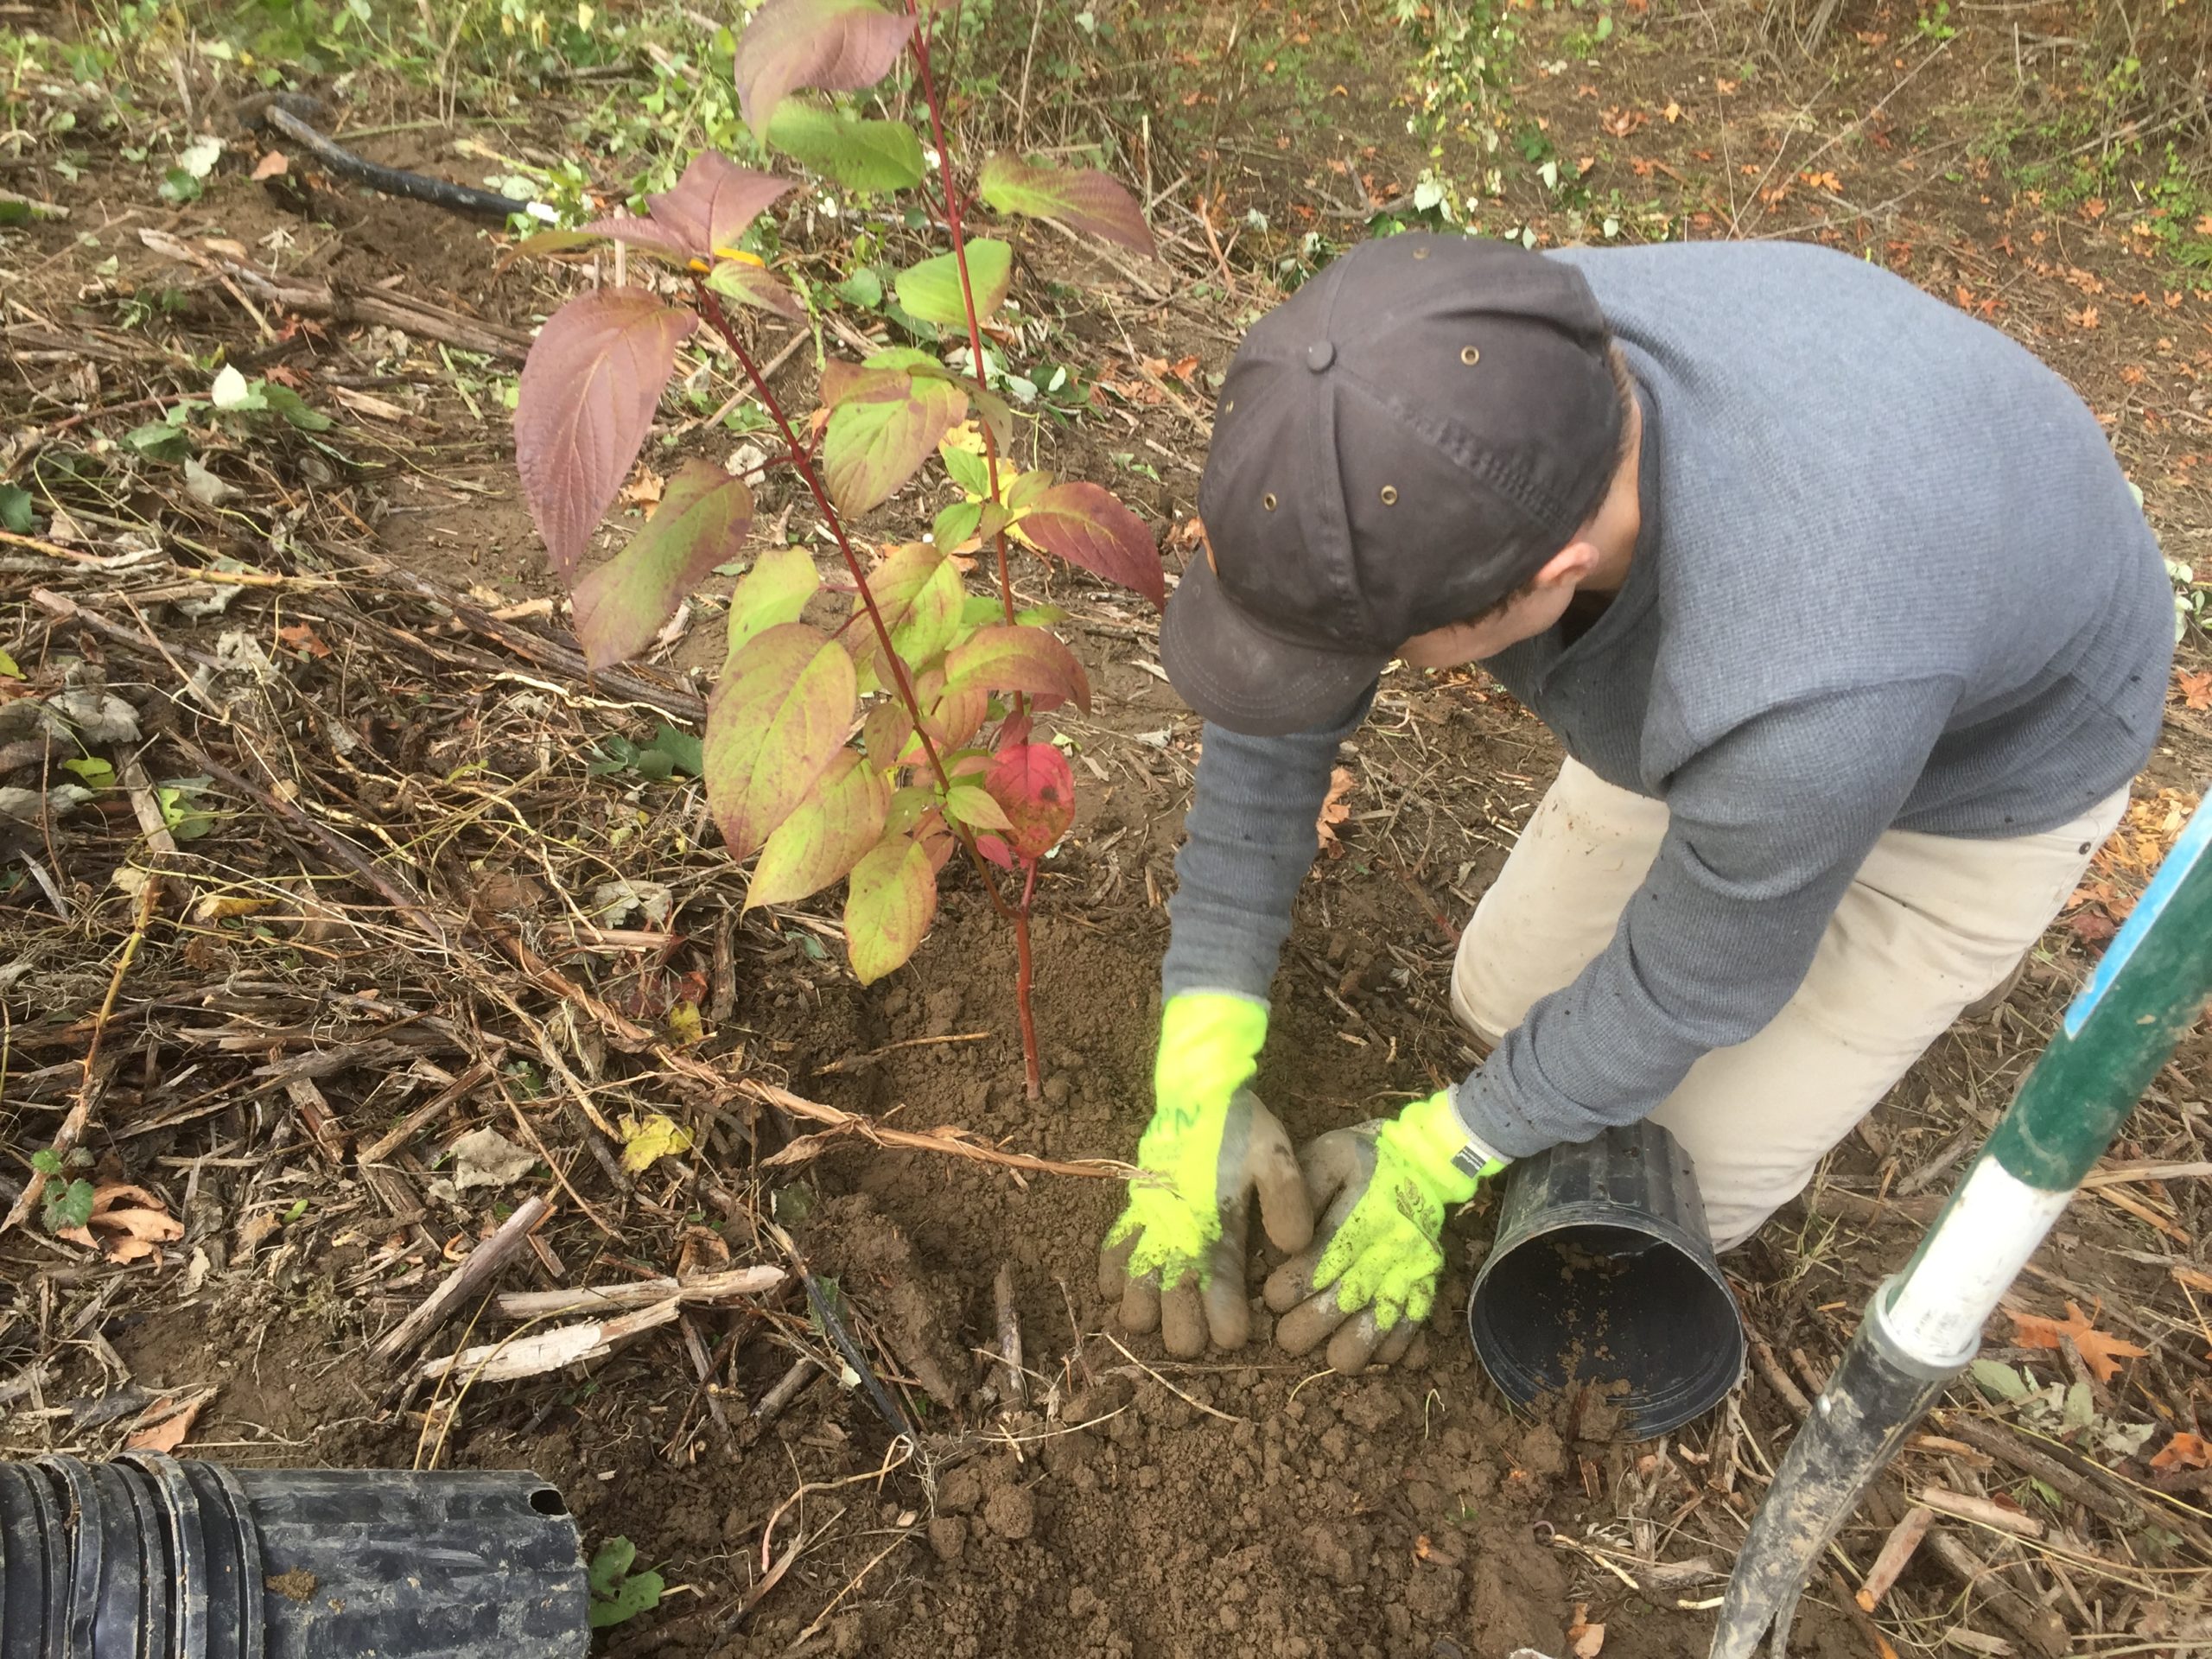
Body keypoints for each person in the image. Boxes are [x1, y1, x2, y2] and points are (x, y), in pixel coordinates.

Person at [1096, 232, 2176, 1376]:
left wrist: (1436, 1156)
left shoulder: (1801, 671)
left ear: (1554, 575)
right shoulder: (1445, 383)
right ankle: (1716, 815)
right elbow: (1283, 686)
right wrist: (1201, 1063)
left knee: (1674, 1174)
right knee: (1500, 1004)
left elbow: (1686, 984)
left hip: (1981, 775)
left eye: (1387, 649)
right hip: (1778, 690)